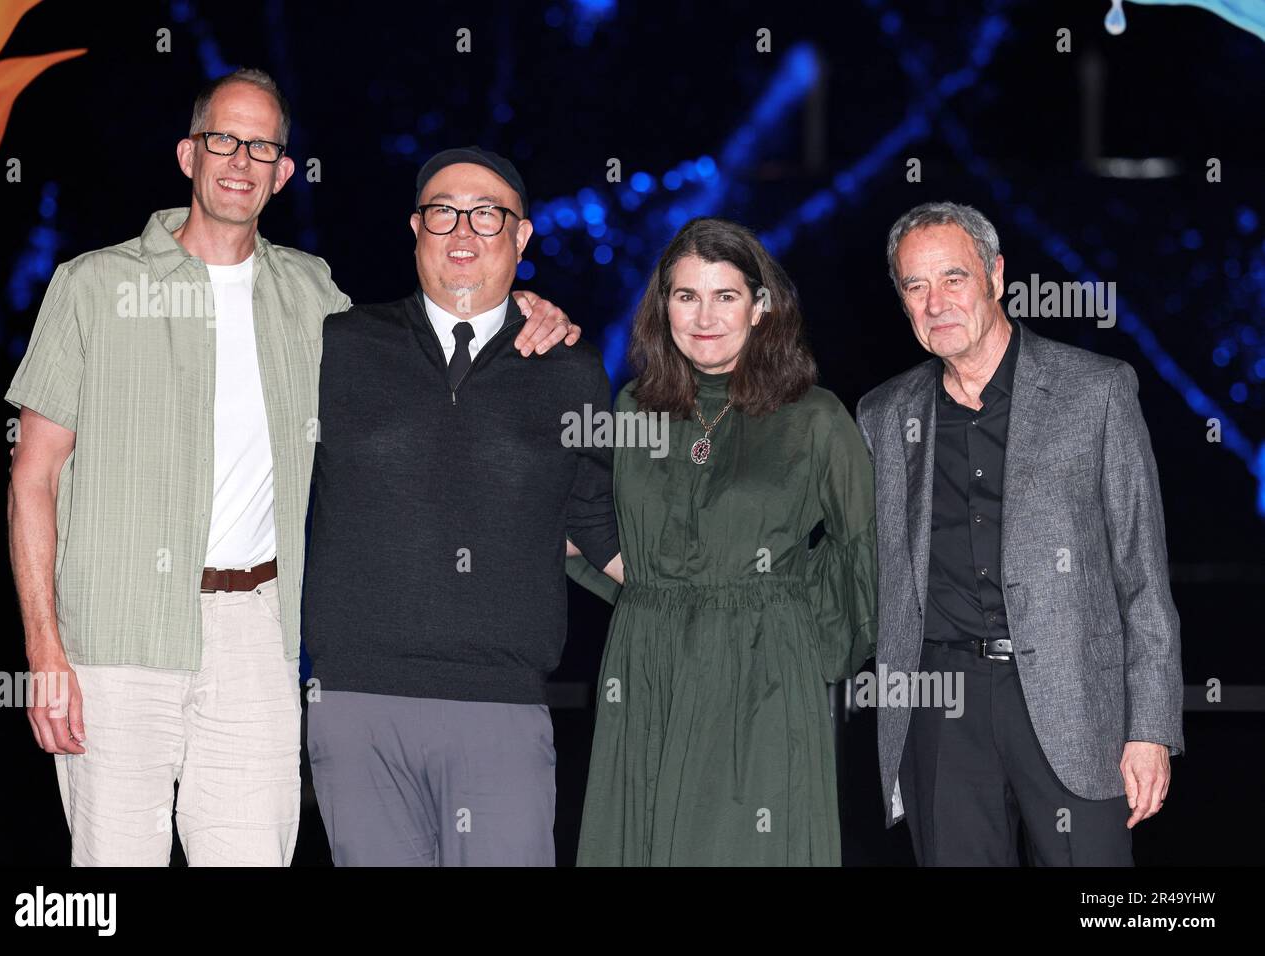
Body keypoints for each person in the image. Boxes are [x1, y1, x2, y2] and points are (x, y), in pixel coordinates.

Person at [5, 72, 576, 866]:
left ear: (282, 172)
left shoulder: (313, 296)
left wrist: (526, 310)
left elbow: (423, 344)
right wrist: (44, 652)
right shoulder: (93, 286)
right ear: (189, 155)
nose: (240, 160)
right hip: (115, 637)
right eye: (223, 140)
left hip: (258, 639)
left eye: (262, 146)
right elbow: (32, 479)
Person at [303, 147, 621, 867]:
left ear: (522, 236)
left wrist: (726, 594)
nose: (464, 231)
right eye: (443, 212)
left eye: (487, 215)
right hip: (355, 705)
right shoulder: (338, 345)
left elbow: (595, 523)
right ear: (416, 228)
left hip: (502, 708)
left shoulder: (571, 368)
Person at [857, 200, 1183, 866]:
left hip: (1076, 703)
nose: (936, 303)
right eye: (915, 286)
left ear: (996, 275)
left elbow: (1143, 575)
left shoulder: (1096, 391)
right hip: (941, 705)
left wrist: (1150, 728)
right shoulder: (883, 415)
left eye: (953, 278)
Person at [566, 216, 877, 865]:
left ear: (761, 307)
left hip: (759, 677)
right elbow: (606, 534)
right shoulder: (633, 408)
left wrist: (801, 646)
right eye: (687, 296)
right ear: (663, 307)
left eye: (725, 296)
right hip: (648, 668)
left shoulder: (815, 417)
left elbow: (866, 552)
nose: (704, 317)